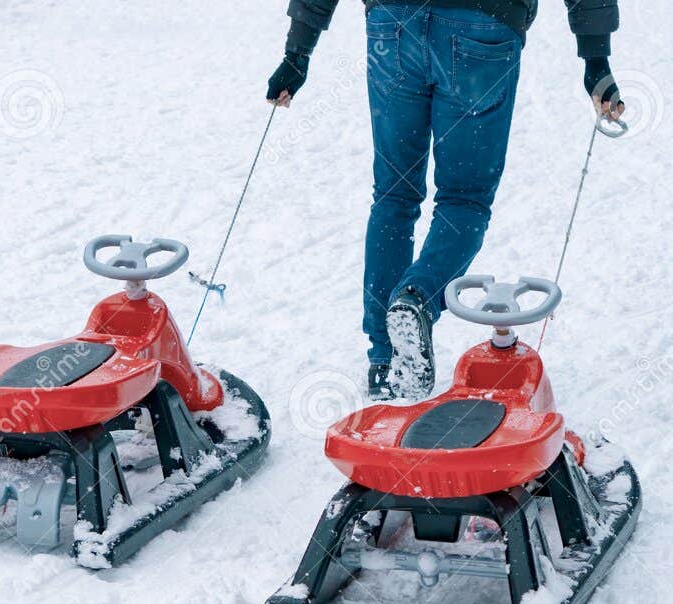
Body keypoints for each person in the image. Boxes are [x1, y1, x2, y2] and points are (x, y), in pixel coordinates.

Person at [267, 2, 625, 399]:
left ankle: (386, 361)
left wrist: (297, 52)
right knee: (464, 198)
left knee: (393, 194)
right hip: (482, 29)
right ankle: (415, 298)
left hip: (395, 25)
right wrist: (596, 57)